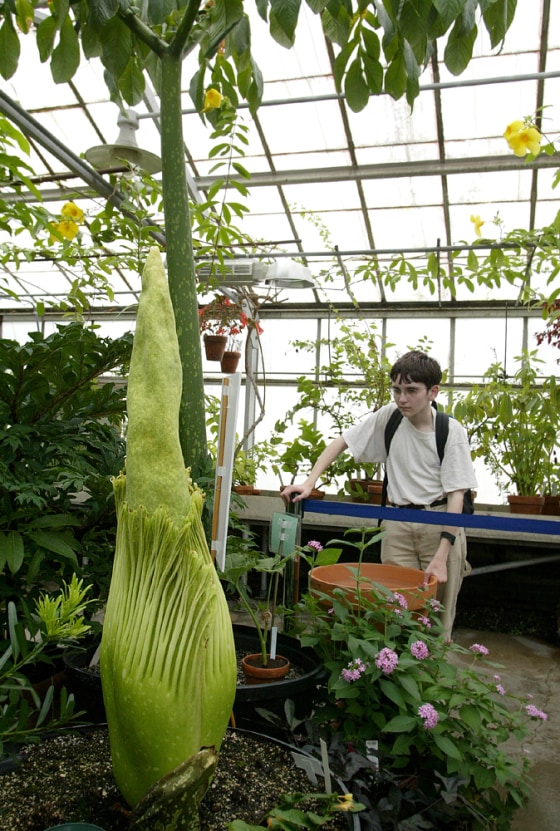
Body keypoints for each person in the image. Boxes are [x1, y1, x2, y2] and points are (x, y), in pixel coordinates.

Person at [281, 350, 477, 639]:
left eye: (411, 391)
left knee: (436, 620)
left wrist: (442, 553)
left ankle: (431, 681)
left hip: (439, 526)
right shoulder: (391, 417)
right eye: (397, 389)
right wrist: (311, 481)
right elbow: (344, 441)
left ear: (432, 392)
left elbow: (457, 495)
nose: (402, 398)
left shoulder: (449, 431)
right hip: (396, 524)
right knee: (393, 615)